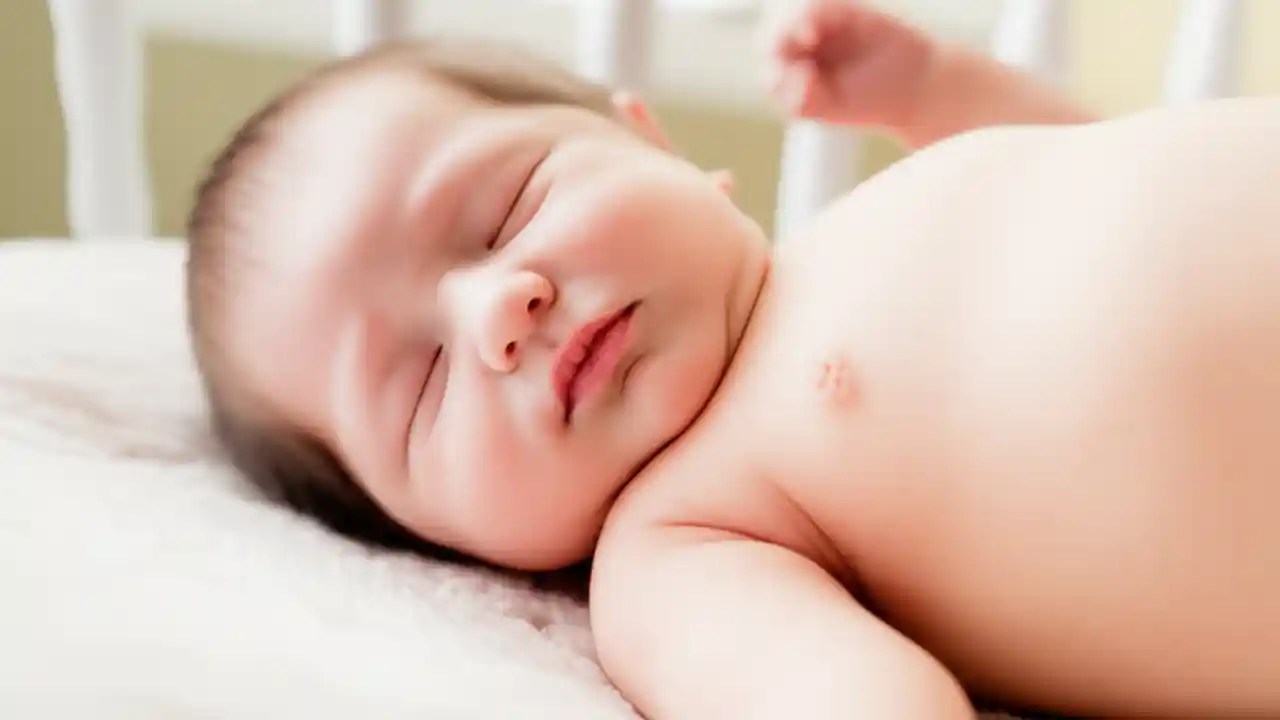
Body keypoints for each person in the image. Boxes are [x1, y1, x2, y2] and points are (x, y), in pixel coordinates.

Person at [185, 1, 1280, 716]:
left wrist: (934, 88)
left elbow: (1091, 164)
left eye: (512, 204)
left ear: (648, 141)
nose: (498, 311)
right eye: (421, 389)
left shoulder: (854, 222)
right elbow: (838, 697)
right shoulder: (683, 539)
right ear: (444, 542)